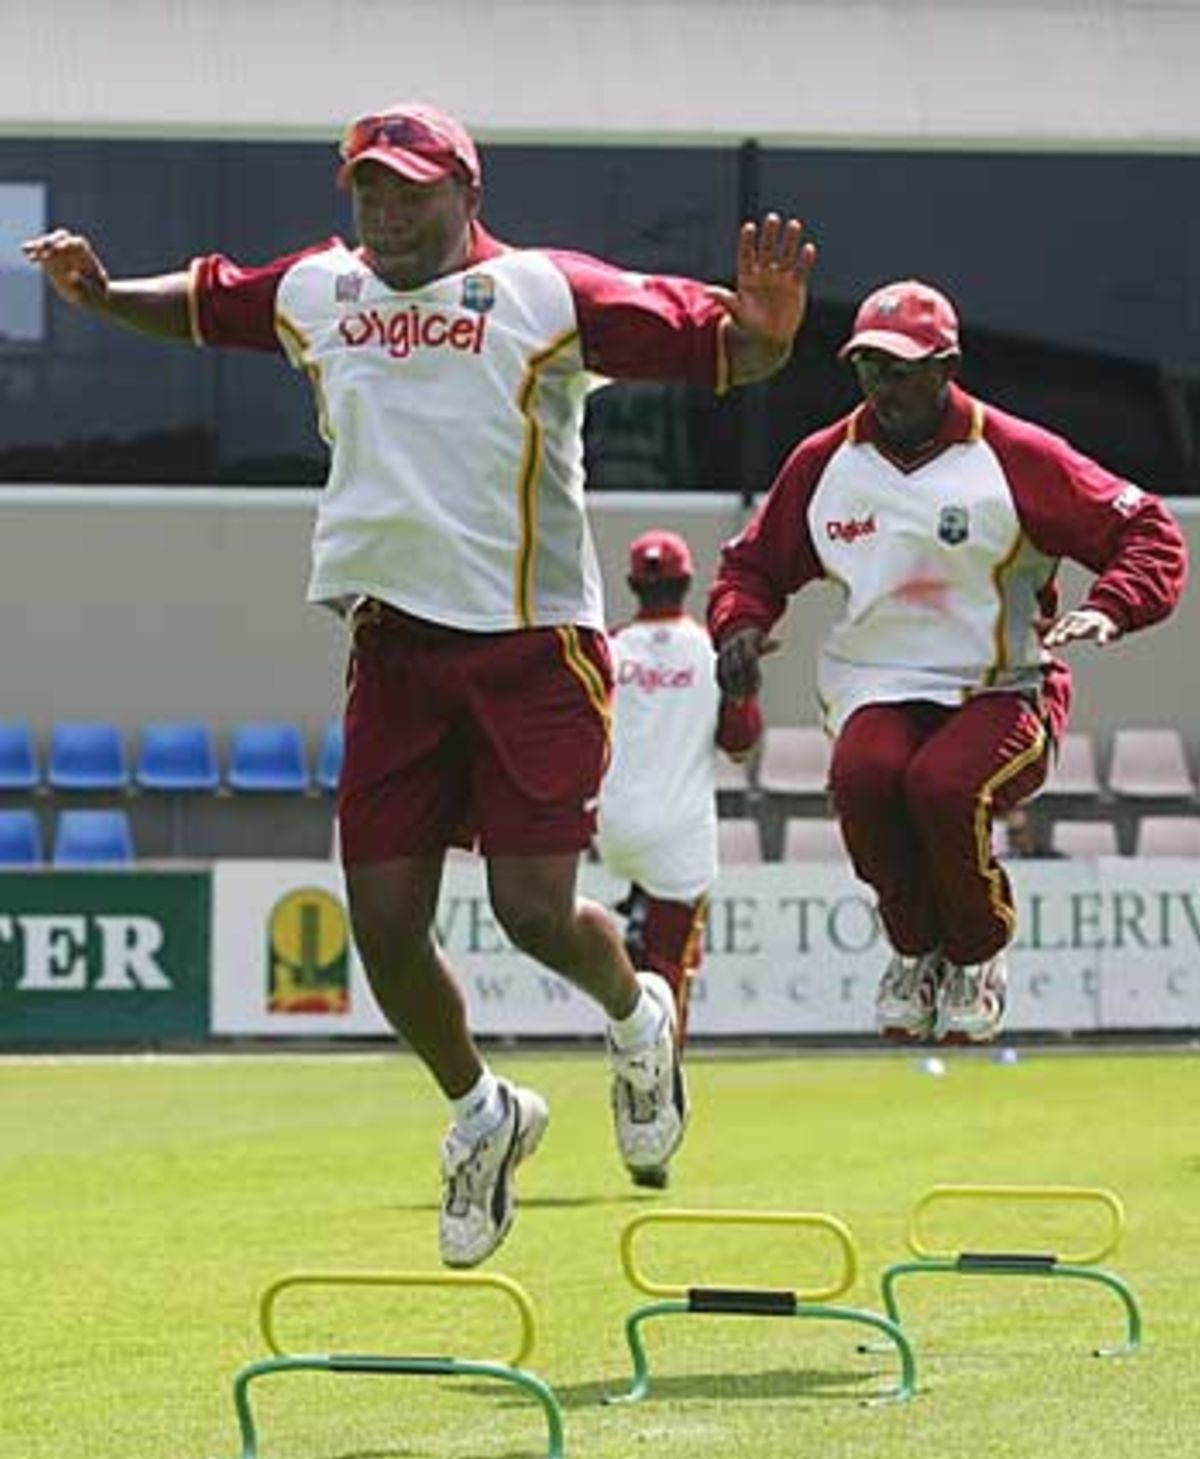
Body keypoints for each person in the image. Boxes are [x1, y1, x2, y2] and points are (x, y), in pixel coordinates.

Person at [24, 102, 817, 1265]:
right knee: (385, 930)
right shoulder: (320, 290)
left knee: (532, 913)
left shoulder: (547, 295)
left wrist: (767, 338)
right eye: (367, 191)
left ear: (465, 193)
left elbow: (723, 345)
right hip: (393, 650)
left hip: (533, 649)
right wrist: (100, 297)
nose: (385, 212)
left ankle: (638, 1009)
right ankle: (482, 1112)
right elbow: (206, 302)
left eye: (408, 189)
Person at [708, 278, 1187, 1046]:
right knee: (865, 781)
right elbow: (752, 567)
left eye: (901, 369)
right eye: (869, 368)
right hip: (876, 683)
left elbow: (1148, 532)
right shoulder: (824, 461)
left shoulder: (1016, 455)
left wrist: (1112, 605)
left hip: (1005, 684)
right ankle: (915, 952)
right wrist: (738, 624)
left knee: (941, 784)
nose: (883, 387)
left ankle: (976, 953)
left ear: (946, 366)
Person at [595, 529, 763, 1186]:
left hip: (614, 825)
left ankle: (629, 980)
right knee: (671, 970)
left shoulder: (608, 649)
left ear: (635, 585)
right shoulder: (712, 650)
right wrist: (744, 690)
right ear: (686, 584)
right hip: (681, 835)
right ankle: (652, 1109)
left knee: (627, 969)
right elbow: (741, 742)